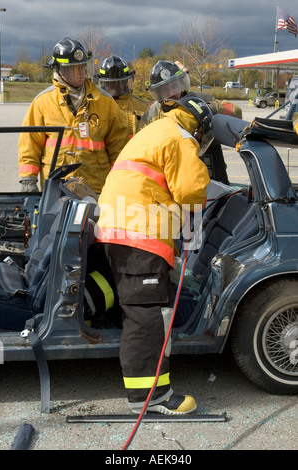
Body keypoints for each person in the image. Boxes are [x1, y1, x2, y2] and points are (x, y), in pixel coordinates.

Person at [95, 94, 213, 414]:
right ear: (199, 128)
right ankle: (151, 398)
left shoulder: (155, 129)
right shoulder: (180, 138)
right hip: (139, 235)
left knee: (140, 310)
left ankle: (147, 393)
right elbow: (190, 191)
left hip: (118, 228)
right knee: (148, 317)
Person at [18, 38, 129, 194]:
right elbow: (29, 145)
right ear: (60, 70)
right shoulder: (42, 102)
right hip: (56, 190)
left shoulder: (105, 102)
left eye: (82, 66)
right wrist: (28, 180)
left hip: (96, 188)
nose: (80, 72)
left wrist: (122, 179)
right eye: (73, 68)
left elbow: (119, 146)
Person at [141, 60, 243, 184]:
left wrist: (207, 110)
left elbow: (236, 111)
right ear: (158, 93)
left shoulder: (200, 100)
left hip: (211, 172)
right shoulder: (151, 116)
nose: (172, 93)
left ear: (181, 83)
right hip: (174, 176)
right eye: (165, 89)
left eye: (174, 86)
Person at [97, 55, 149, 138]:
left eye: (120, 82)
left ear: (126, 82)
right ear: (103, 84)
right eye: (111, 83)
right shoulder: (95, 107)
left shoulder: (142, 108)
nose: (116, 86)